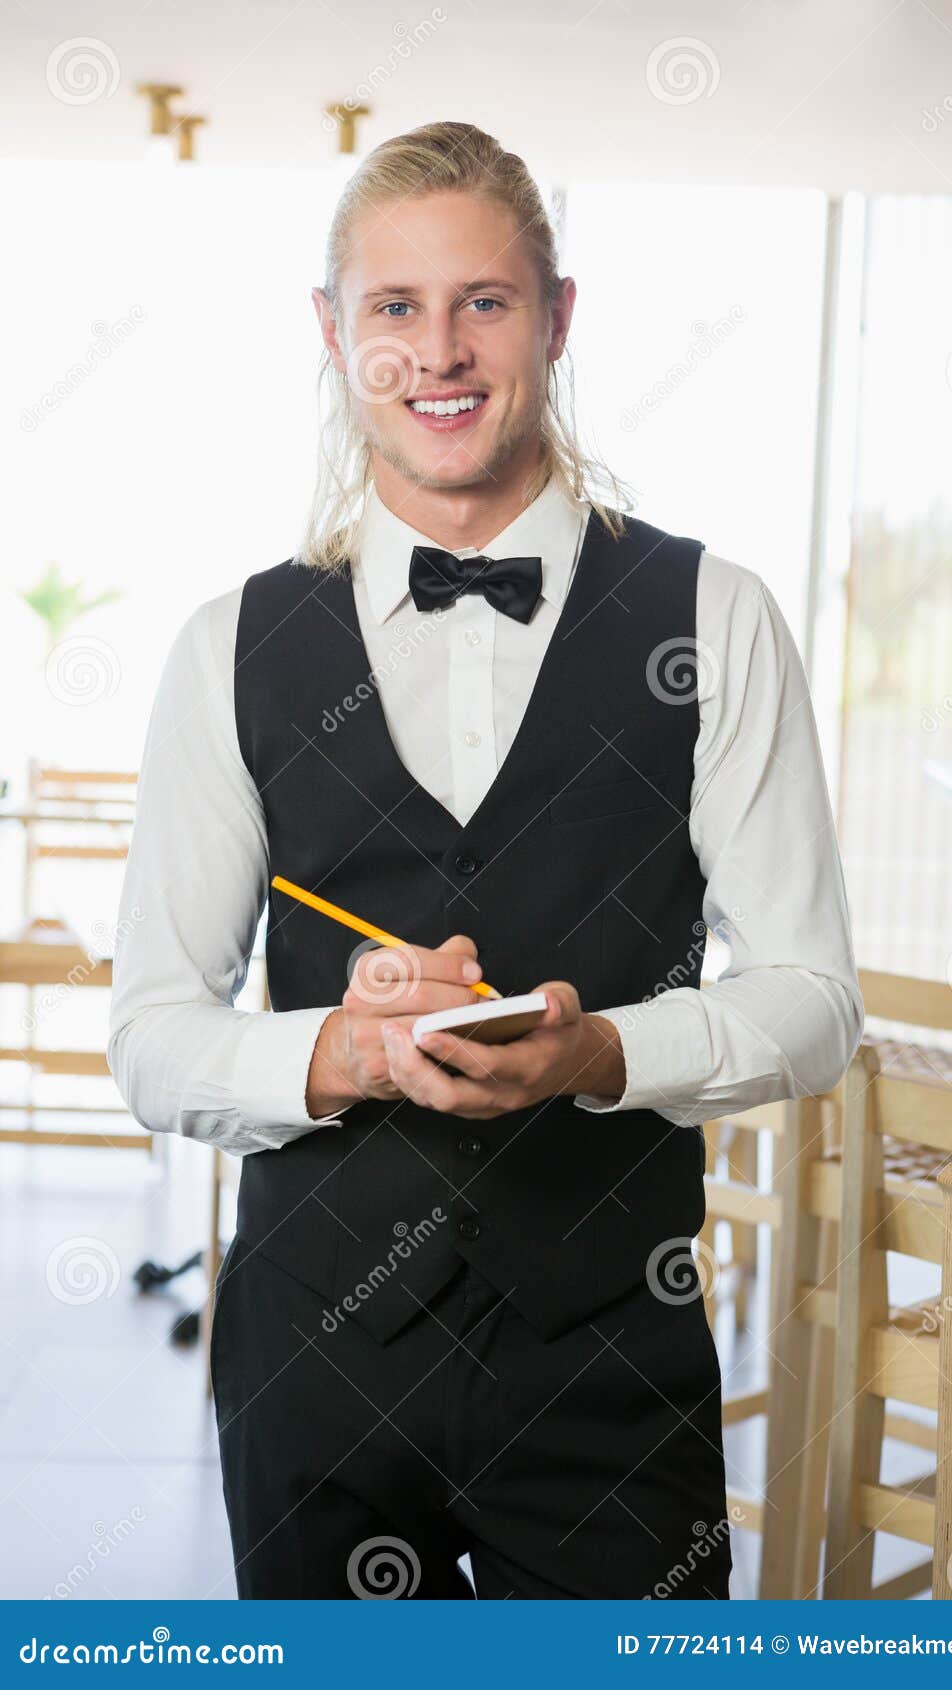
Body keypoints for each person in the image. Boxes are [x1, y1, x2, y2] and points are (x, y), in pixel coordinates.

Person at [108, 119, 863, 1601]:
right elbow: (149, 1034)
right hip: (312, 1364)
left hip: (610, 1357)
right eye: (394, 307)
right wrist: (341, 1051)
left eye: (485, 303)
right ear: (334, 334)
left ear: (558, 318)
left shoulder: (718, 618)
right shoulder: (229, 650)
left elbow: (817, 998)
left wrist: (600, 1053)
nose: (438, 351)